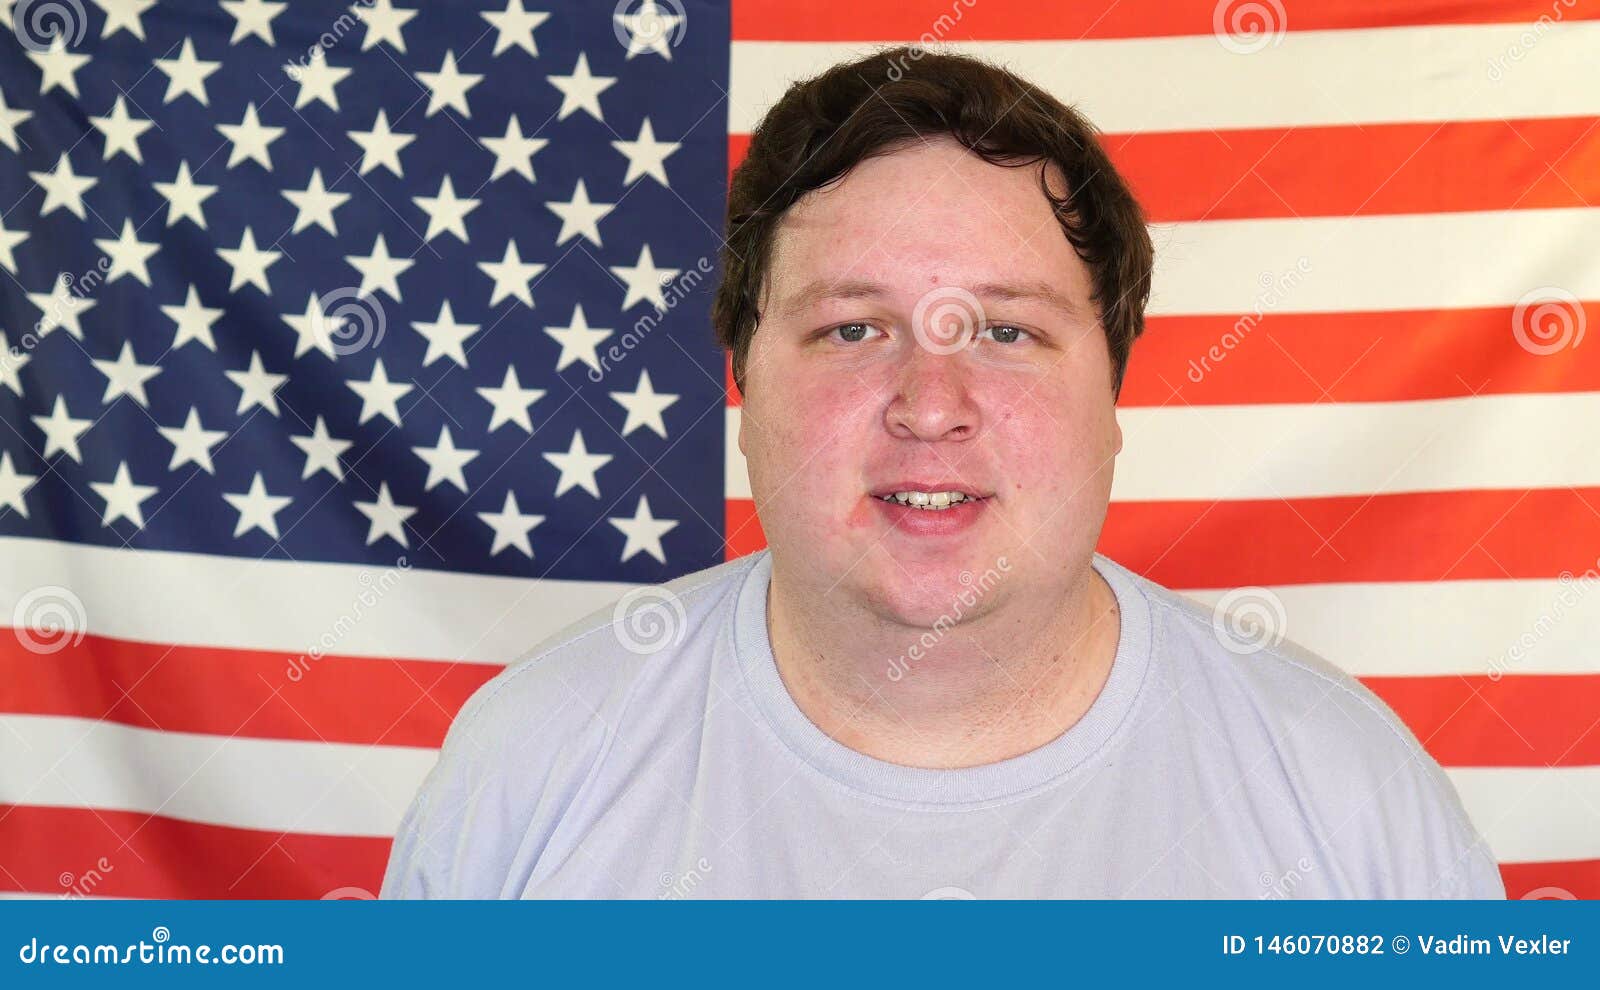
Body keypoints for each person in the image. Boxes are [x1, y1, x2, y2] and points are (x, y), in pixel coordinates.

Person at [381, 45, 1503, 899]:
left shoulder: (1348, 802)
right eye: (852, 330)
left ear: (1110, 392)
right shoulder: (530, 767)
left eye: (1006, 333)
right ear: (743, 383)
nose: (930, 404)